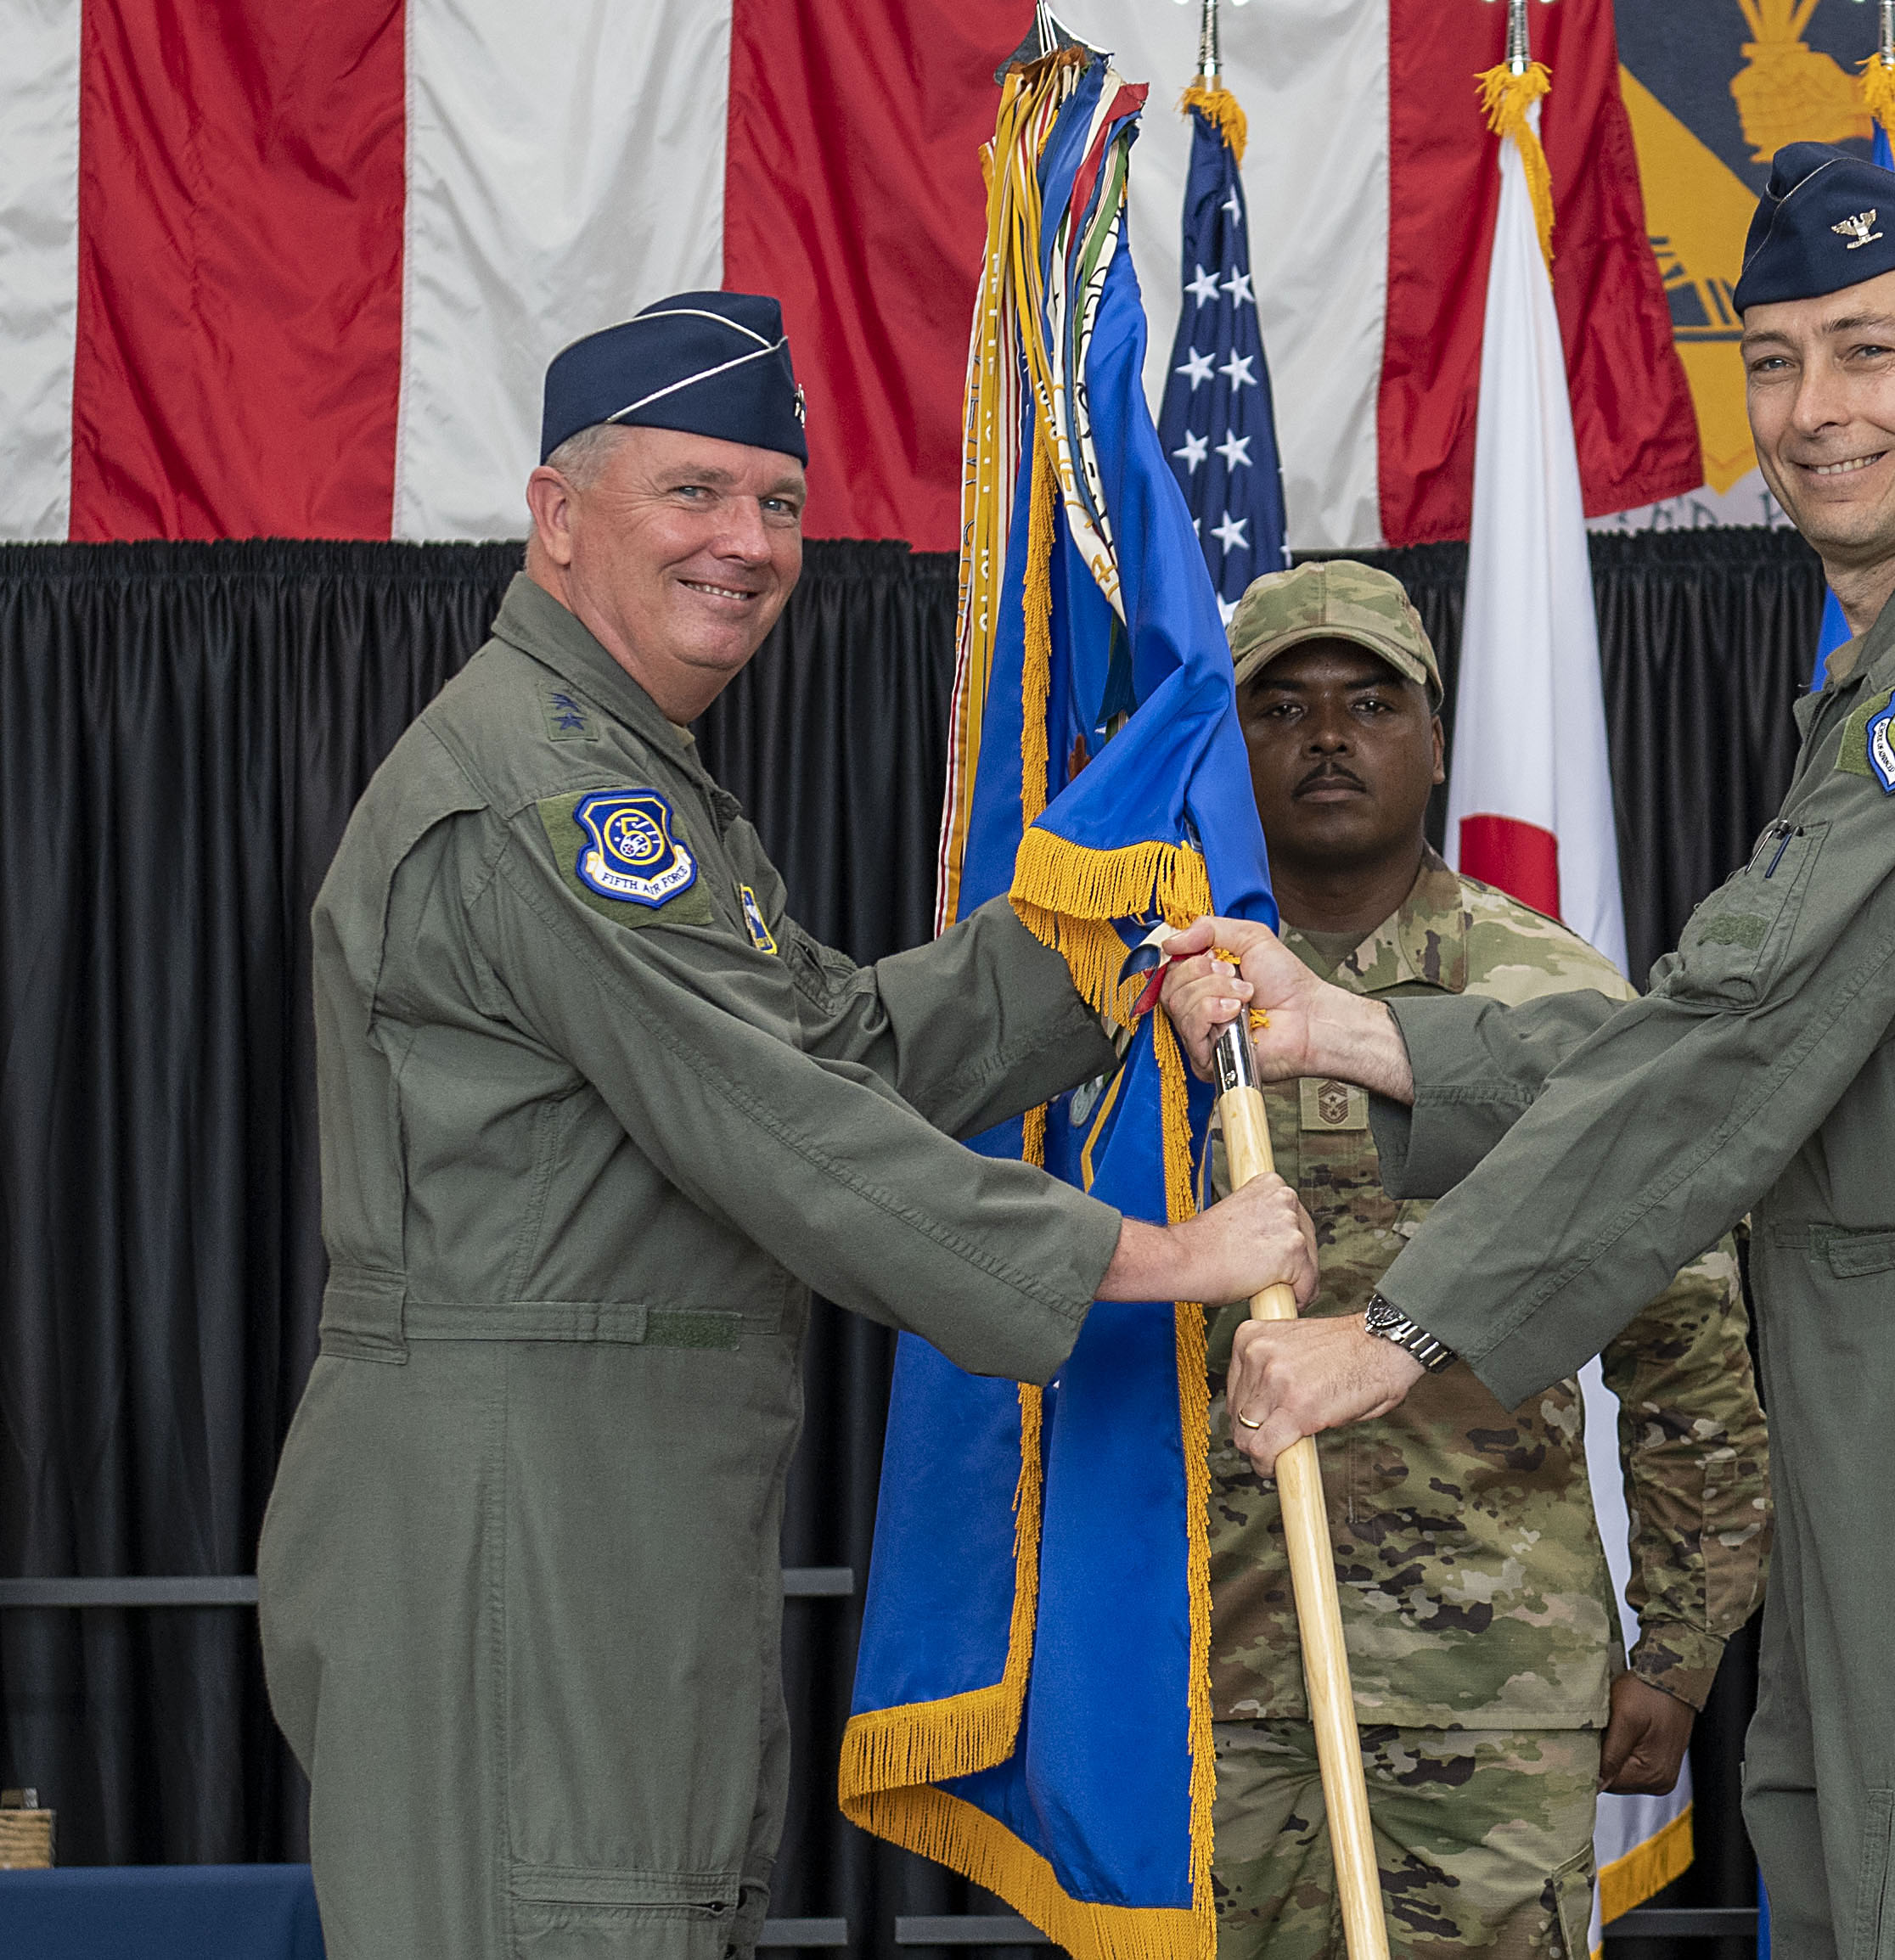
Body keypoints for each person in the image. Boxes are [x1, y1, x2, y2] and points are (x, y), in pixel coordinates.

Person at [1170, 147, 1895, 1959]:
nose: (1812, 410)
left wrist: (1400, 1336)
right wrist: (1358, 1030)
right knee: (1883, 1895)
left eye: (1864, 352)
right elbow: (1738, 1043)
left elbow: (1740, 1043)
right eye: (1772, 362)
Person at [255, 292, 1315, 1960]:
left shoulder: (631, 772)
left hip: (601, 1505)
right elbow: (777, 1123)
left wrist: (1102, 948)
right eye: (692, 493)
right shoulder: (556, 799)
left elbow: (829, 1047)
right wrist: (1152, 1256)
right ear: (555, 517)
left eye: (777, 504)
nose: (744, 544)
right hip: (516, 1519)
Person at [1203, 563, 1771, 1960]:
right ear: (1229, 744)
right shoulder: (1155, 994)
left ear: (1436, 739)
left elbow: (1686, 1349)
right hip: (1199, 1677)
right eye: (1281, 706)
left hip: (1484, 1683)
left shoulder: (1554, 1000)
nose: (1328, 737)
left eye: (1370, 703)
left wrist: (1678, 1645)